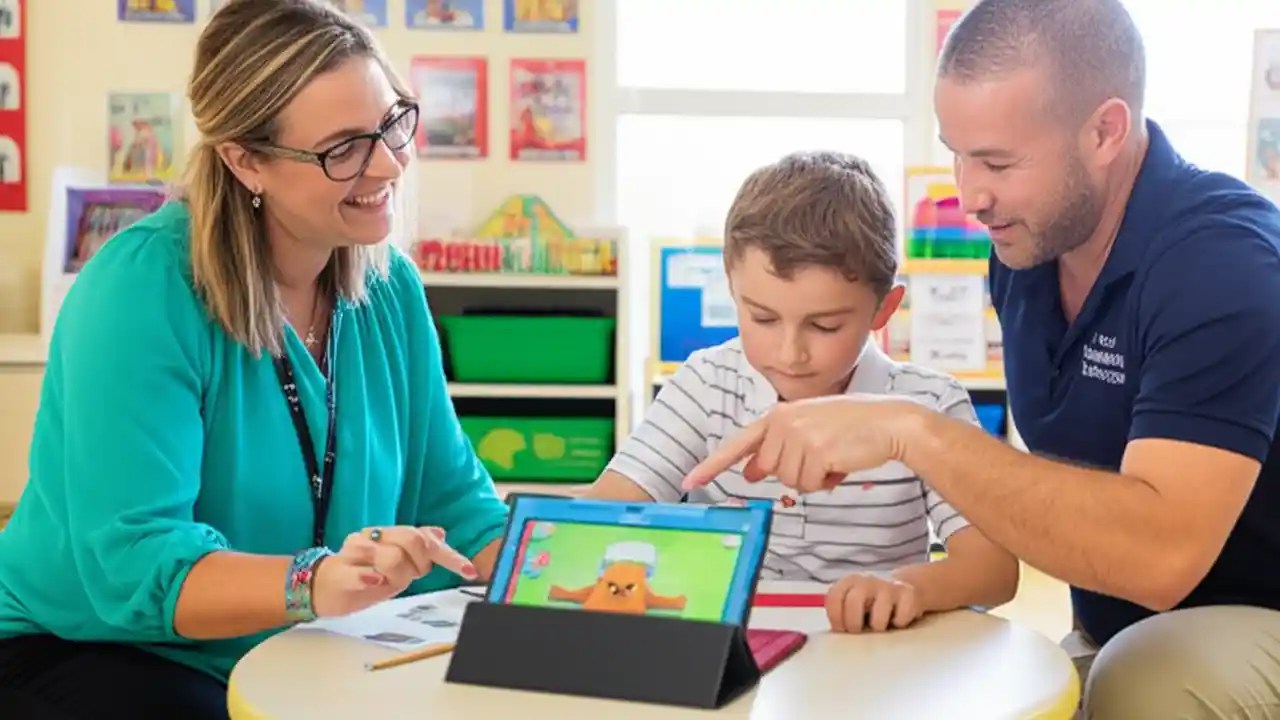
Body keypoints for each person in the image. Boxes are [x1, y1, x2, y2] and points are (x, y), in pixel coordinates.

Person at [684, 1, 1280, 717]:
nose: (969, 195)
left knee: (1141, 682)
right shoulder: (1027, 250)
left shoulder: (1224, 265)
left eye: (997, 161)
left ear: (1105, 130)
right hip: (1118, 632)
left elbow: (1159, 560)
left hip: (1238, 620)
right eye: (957, 153)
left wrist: (913, 431)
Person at [0, 1, 509, 717]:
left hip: (303, 642)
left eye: (394, 122)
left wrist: (547, 572)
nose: (390, 161)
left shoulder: (389, 287)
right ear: (245, 160)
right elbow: (135, 563)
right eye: (345, 147)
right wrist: (312, 582)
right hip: (101, 646)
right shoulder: (142, 288)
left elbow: (453, 499)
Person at [586, 151, 1019, 634]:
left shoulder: (929, 406)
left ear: (884, 308)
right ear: (731, 286)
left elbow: (995, 572)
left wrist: (909, 587)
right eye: (763, 318)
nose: (790, 353)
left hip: (871, 650)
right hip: (734, 647)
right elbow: (605, 510)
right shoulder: (706, 384)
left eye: (825, 325)